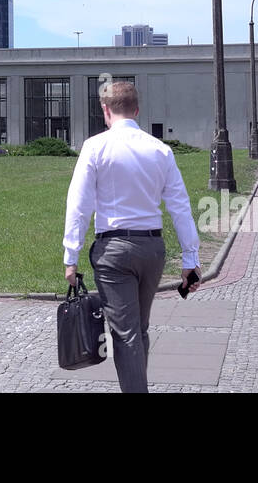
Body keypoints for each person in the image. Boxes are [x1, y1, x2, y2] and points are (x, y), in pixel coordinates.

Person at [62, 82, 200, 393]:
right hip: (152, 249)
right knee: (139, 329)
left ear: (105, 110)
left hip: (113, 251)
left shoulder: (95, 147)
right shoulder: (160, 149)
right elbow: (180, 206)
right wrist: (190, 258)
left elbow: (79, 206)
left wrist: (71, 255)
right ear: (137, 111)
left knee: (126, 335)